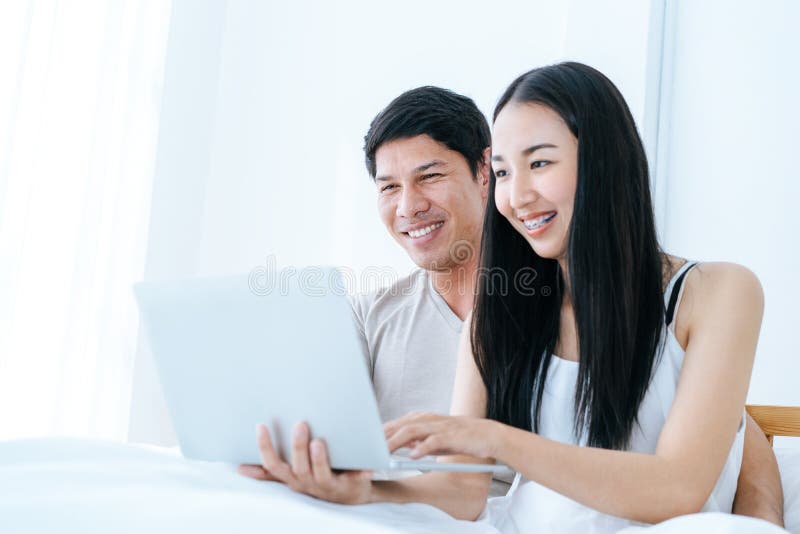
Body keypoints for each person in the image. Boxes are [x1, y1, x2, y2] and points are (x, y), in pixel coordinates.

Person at [238, 70, 784, 529]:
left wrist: (494, 437)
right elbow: (462, 492)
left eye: (540, 163)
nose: (516, 196)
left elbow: (679, 488)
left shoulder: (718, 292)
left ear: (604, 162)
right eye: (503, 172)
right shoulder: (497, 315)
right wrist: (365, 489)